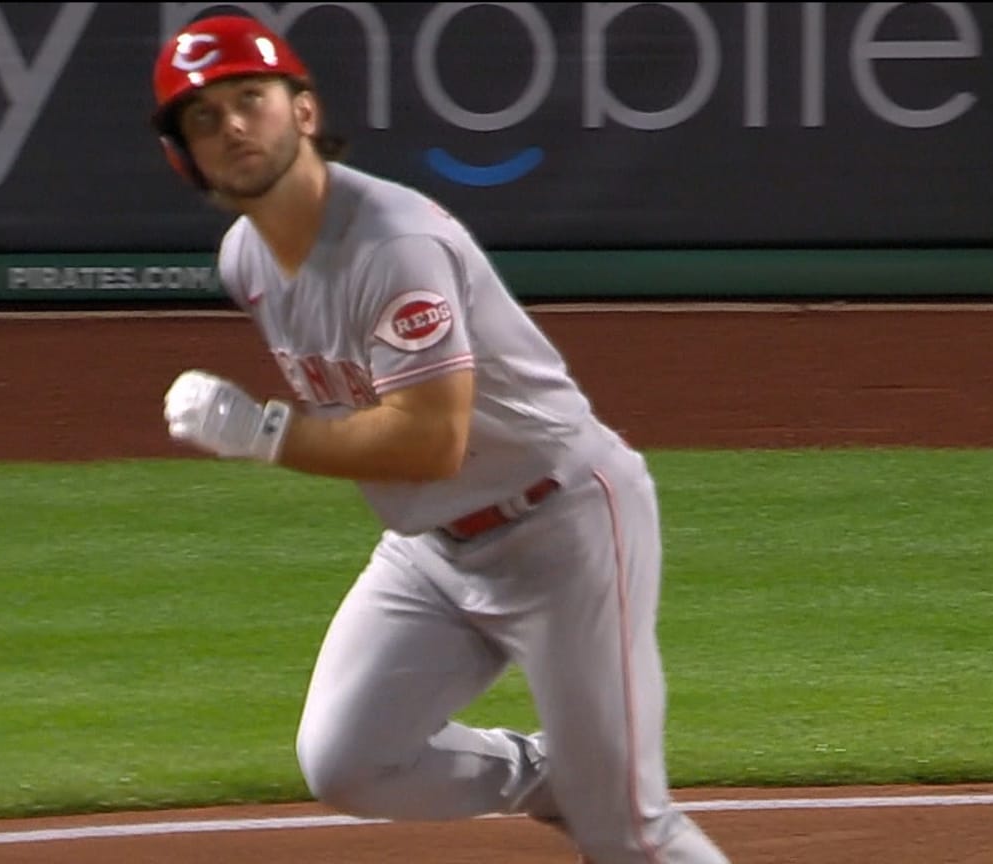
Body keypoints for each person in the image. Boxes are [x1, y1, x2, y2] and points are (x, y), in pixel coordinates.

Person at [150, 14, 731, 864]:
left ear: (302, 110)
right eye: (204, 117)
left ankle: (599, 795)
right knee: (347, 761)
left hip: (564, 532)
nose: (234, 125)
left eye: (252, 98)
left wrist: (264, 433)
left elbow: (430, 442)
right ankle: (552, 777)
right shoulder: (245, 257)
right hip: (432, 549)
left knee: (631, 834)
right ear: (184, 155)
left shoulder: (396, 245)